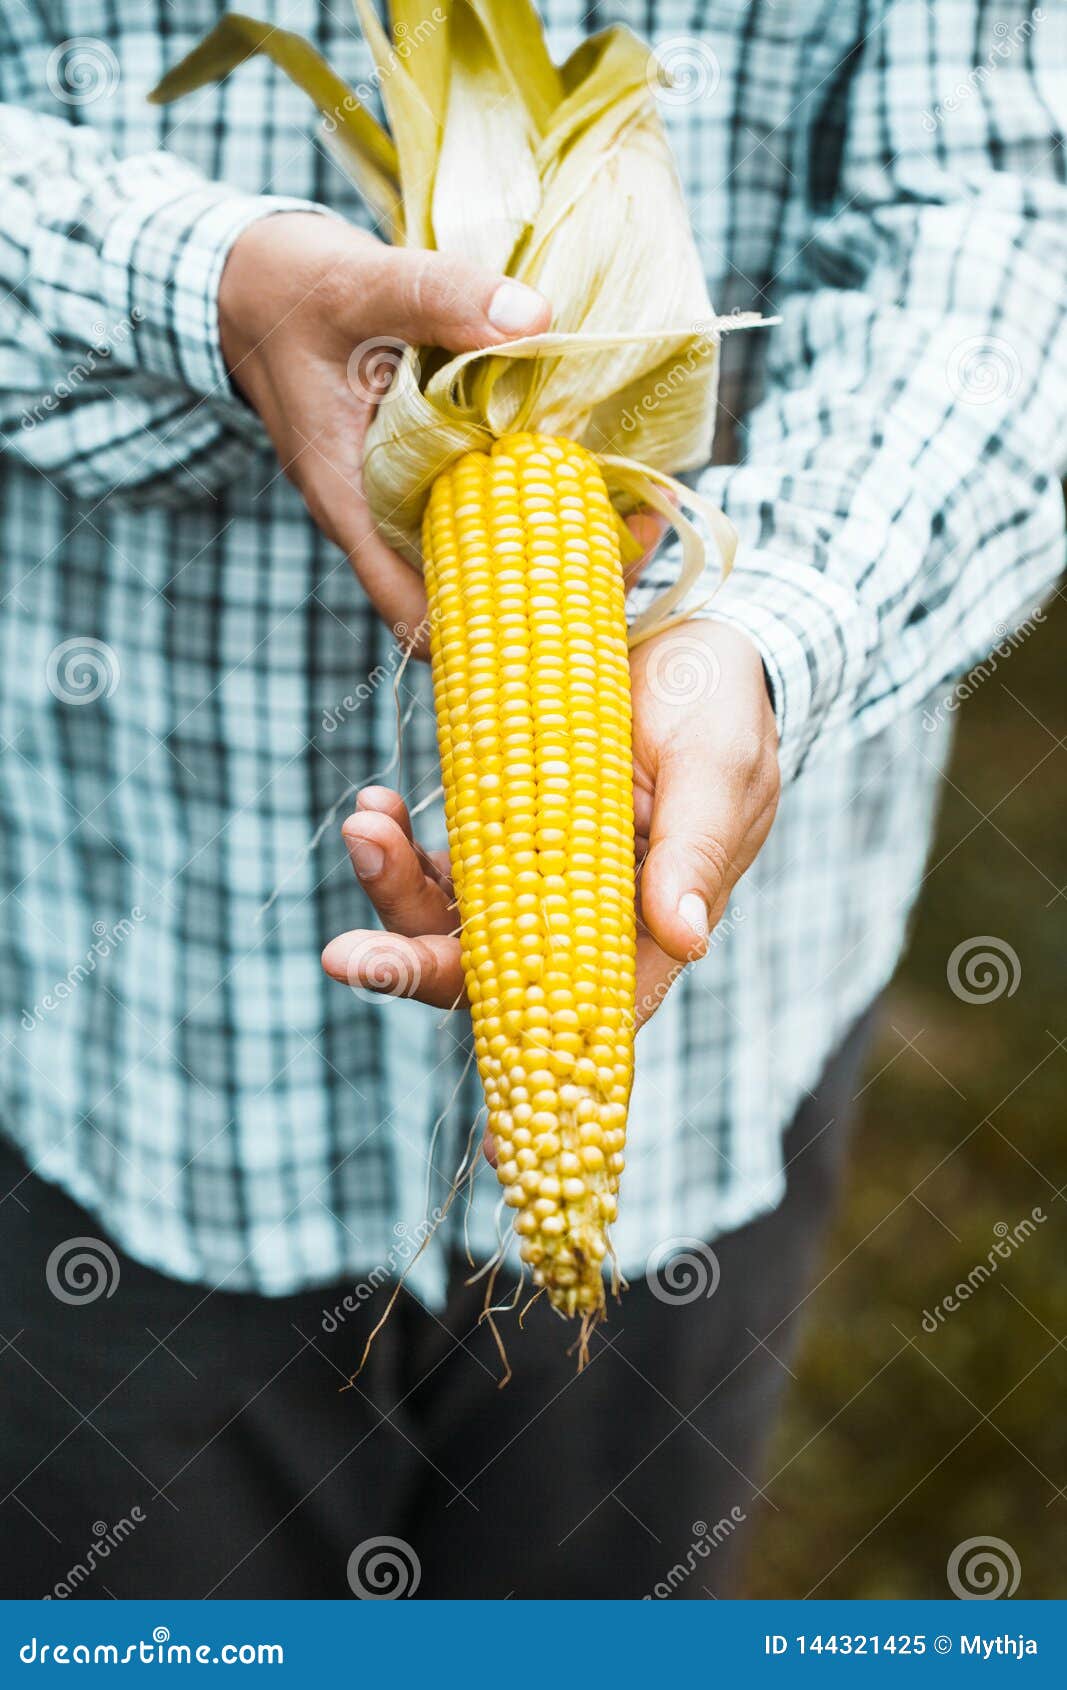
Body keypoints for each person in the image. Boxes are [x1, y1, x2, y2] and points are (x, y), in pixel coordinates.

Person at [0, 2, 1063, 1601]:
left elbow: (1005, 218)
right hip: (120, 1007)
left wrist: (772, 634)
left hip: (716, 1056)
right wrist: (199, 288)